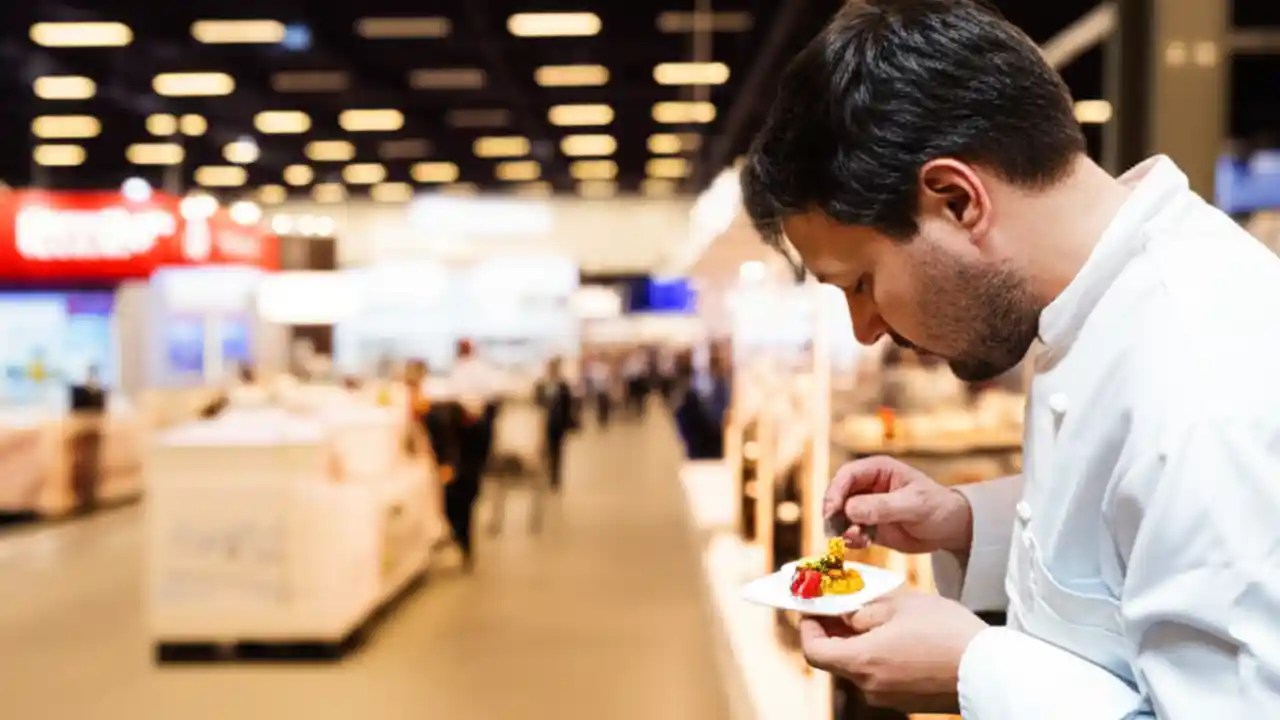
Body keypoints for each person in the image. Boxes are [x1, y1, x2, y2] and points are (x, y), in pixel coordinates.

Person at [742, 1, 1280, 717]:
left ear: (957, 200)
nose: (865, 329)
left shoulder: (1206, 381)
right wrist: (969, 522)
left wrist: (974, 668)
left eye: (861, 284)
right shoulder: (1097, 304)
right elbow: (1129, 534)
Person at [534, 358, 575, 492]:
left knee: (557, 450)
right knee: (546, 449)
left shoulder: (563, 386)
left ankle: (555, 476)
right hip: (545, 422)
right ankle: (546, 472)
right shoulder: (542, 384)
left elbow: (568, 406)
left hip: (558, 423)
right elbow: (537, 400)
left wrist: (568, 422)